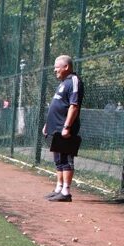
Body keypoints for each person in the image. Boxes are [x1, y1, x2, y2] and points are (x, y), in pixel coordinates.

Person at [43, 54, 83, 203]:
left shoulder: (74, 81)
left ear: (66, 67)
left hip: (65, 128)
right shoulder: (63, 83)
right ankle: (59, 188)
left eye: (57, 67)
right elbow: (56, 106)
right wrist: (48, 124)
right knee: (58, 159)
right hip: (55, 128)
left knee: (66, 159)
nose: (55, 70)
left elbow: (74, 106)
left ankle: (66, 192)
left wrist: (67, 126)